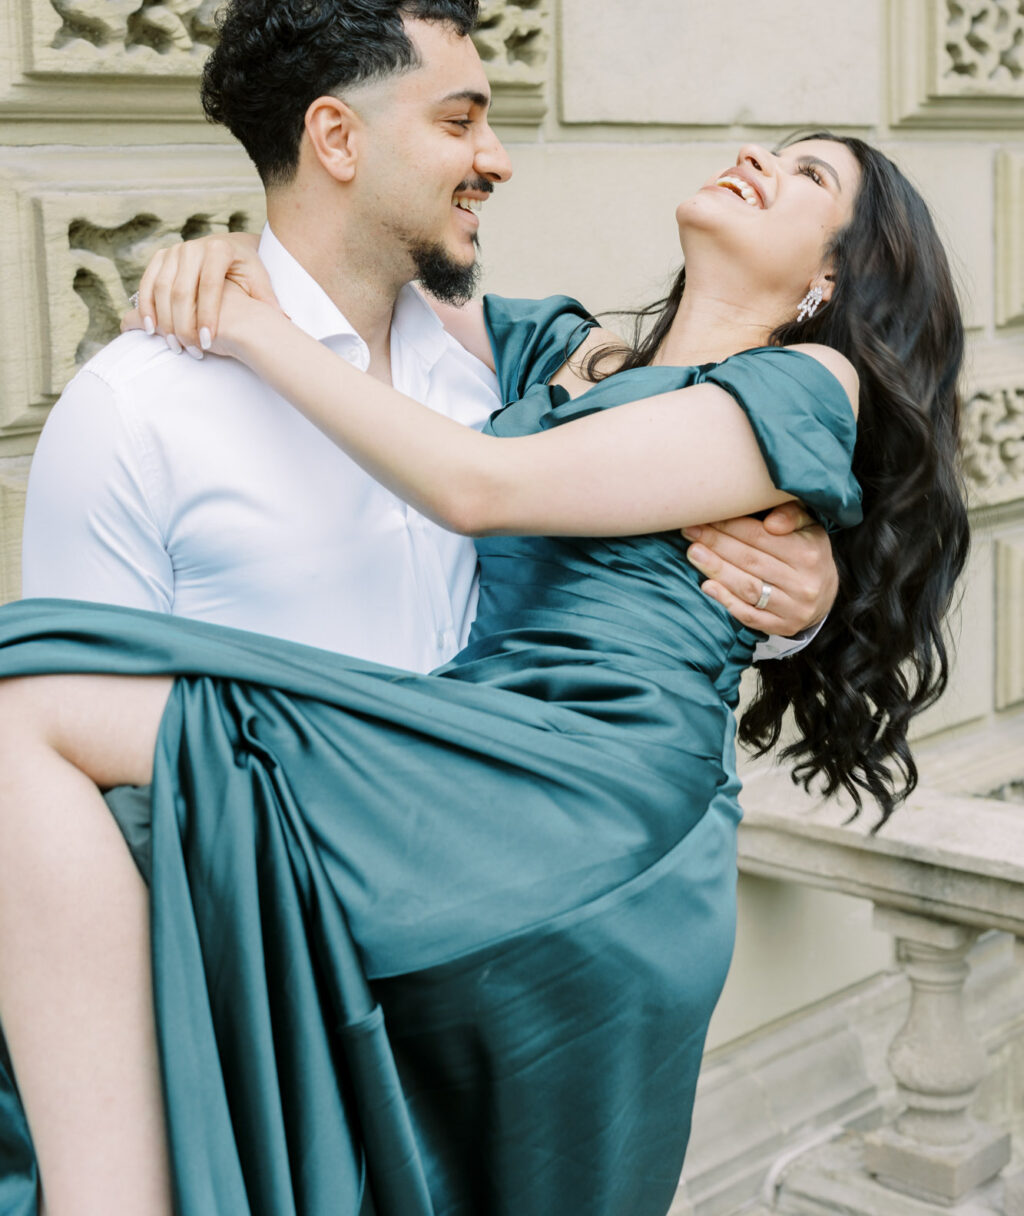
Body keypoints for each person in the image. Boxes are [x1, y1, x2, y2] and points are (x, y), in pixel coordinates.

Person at [0, 95, 968, 1215]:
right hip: (490, 754)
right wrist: (232, 259)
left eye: (806, 178)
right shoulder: (567, 354)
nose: (758, 158)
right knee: (126, 839)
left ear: (830, 284)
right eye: (772, 146)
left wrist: (249, 328)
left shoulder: (808, 385)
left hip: (600, 796)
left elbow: (479, 488)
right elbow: (361, 264)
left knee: (35, 699)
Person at [19, 0, 838, 866]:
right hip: (286, 956)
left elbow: (652, 491)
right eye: (460, 122)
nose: (496, 158)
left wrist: (801, 595)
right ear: (335, 138)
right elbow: (91, 789)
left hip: (525, 929)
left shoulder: (513, 378)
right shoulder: (134, 410)